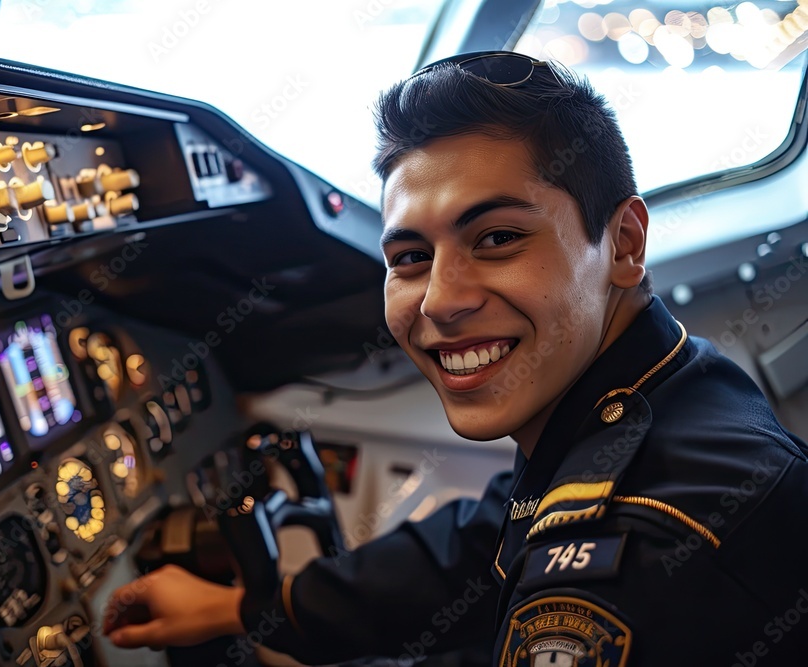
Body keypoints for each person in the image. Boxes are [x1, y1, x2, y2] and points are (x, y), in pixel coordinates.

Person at [102, 51, 808, 665]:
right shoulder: (659, 391)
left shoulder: (626, 559)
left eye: (497, 238)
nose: (440, 300)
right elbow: (485, 542)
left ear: (623, 244)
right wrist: (253, 608)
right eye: (410, 256)